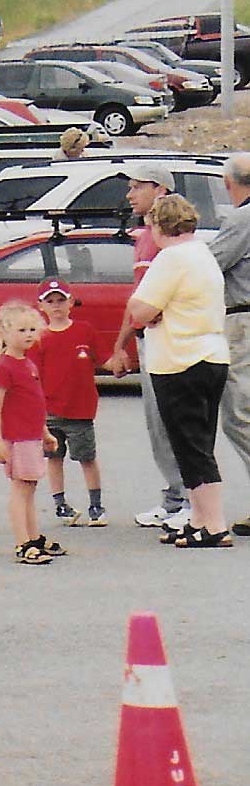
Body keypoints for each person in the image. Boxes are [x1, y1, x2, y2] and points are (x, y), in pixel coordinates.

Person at [124, 194, 232, 548]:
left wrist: (150, 310)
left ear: (158, 225)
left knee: (191, 445)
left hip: (179, 359)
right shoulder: (202, 253)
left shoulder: (171, 258)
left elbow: (139, 309)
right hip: (212, 354)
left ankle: (214, 524)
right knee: (198, 442)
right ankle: (200, 519)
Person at [102, 163, 188, 531]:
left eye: (137, 187)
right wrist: (122, 345)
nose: (130, 194)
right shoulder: (145, 236)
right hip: (152, 341)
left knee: (172, 423)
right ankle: (174, 498)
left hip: (170, 343)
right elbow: (138, 301)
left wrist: (126, 342)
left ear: (160, 190)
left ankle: (185, 500)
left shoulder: (163, 241)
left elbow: (150, 304)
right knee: (158, 425)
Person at [0, 300, 63, 565]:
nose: (29, 335)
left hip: (31, 438)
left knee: (30, 489)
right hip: (17, 440)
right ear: (5, 333)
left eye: (32, 329)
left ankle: (34, 537)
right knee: (21, 491)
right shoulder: (5, 367)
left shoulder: (28, 364)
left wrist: (45, 433)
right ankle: (23, 543)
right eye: (21, 330)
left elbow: (33, 404)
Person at [31, 279, 105, 527]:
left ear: (71, 302)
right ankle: (60, 504)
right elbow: (34, 375)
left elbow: (102, 358)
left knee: (87, 457)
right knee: (54, 457)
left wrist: (118, 362)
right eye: (50, 302)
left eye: (61, 300)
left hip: (80, 410)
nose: (56, 306)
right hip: (50, 410)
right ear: (41, 306)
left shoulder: (84, 331)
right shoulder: (39, 338)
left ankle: (96, 504)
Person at [209, 152, 250, 537]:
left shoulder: (241, 220)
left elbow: (211, 263)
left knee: (239, 415)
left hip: (242, 318)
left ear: (228, 183)